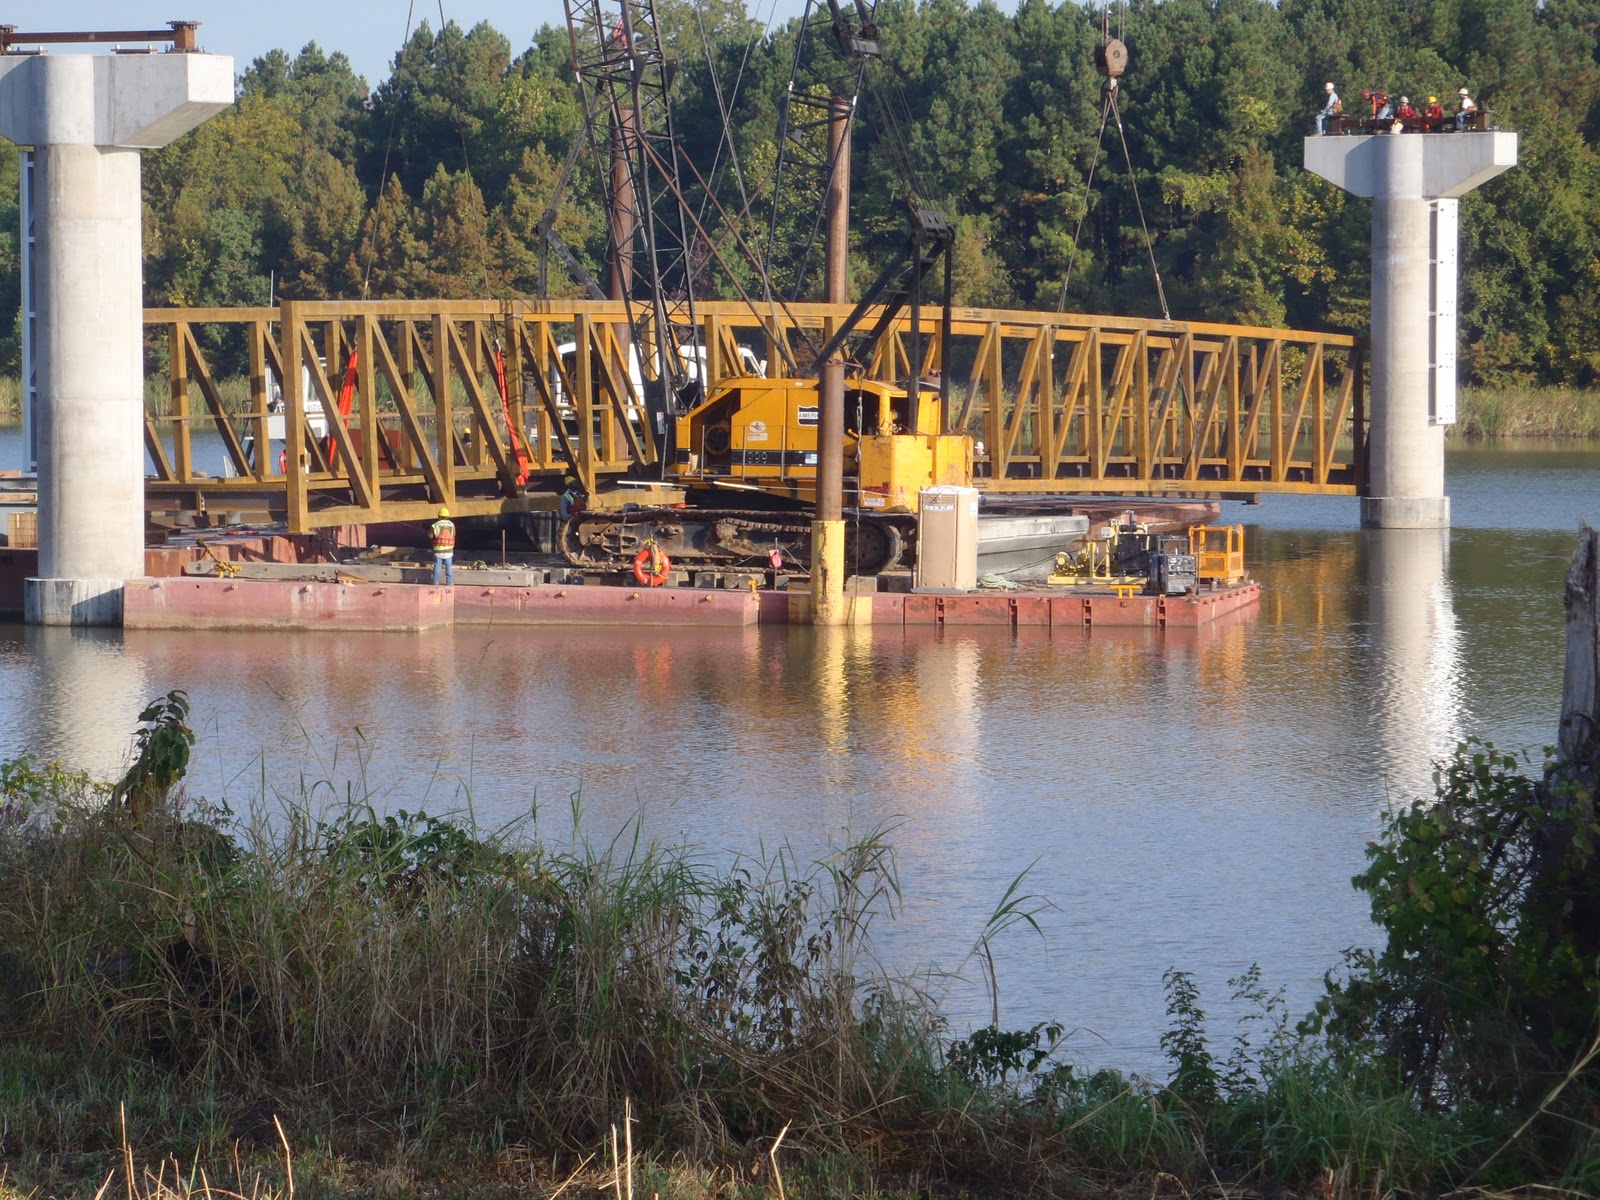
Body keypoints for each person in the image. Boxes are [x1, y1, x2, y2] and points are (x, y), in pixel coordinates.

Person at [429, 506, 456, 586]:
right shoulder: (452, 525)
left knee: (437, 566)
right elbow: (453, 535)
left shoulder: (435, 525)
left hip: (438, 550)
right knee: (449, 567)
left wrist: (429, 534)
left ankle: (435, 582)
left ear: (439, 516)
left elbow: (430, 536)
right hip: (449, 550)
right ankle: (449, 582)